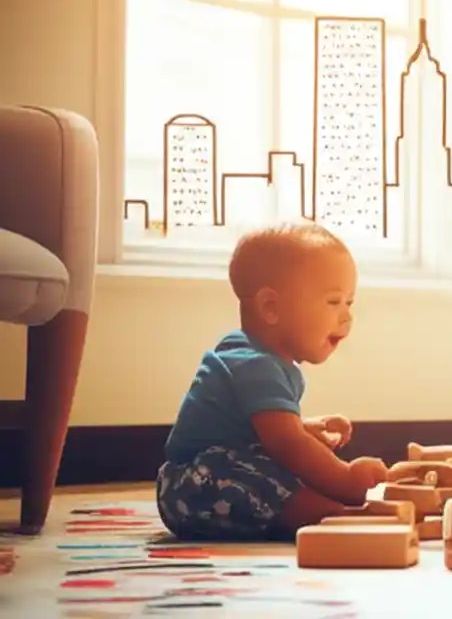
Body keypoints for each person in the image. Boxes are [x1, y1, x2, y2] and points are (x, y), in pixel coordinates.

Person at [156, 221, 389, 540]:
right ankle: (330, 515)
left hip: (196, 485)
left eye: (349, 303)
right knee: (290, 462)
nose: (347, 316)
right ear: (271, 307)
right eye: (334, 302)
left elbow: (258, 429)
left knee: (290, 463)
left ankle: (326, 510)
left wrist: (305, 428)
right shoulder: (255, 365)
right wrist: (346, 478)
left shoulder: (252, 355)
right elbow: (287, 443)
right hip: (194, 485)